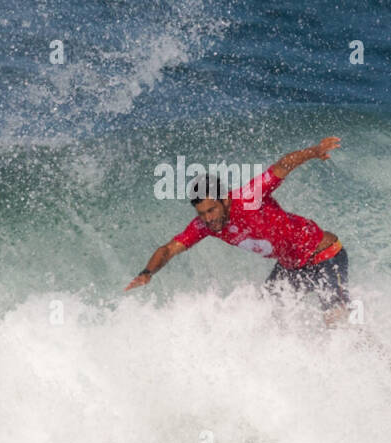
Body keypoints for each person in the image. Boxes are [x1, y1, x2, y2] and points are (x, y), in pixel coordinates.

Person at [125, 137, 349, 323]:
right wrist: (147, 272)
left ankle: (378, 362)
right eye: (201, 213)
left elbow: (282, 166)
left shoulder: (249, 196)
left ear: (224, 199)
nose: (208, 218)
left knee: (338, 321)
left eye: (211, 210)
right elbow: (169, 249)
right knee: (266, 314)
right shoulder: (207, 226)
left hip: (323, 256)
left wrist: (314, 151)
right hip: (291, 266)